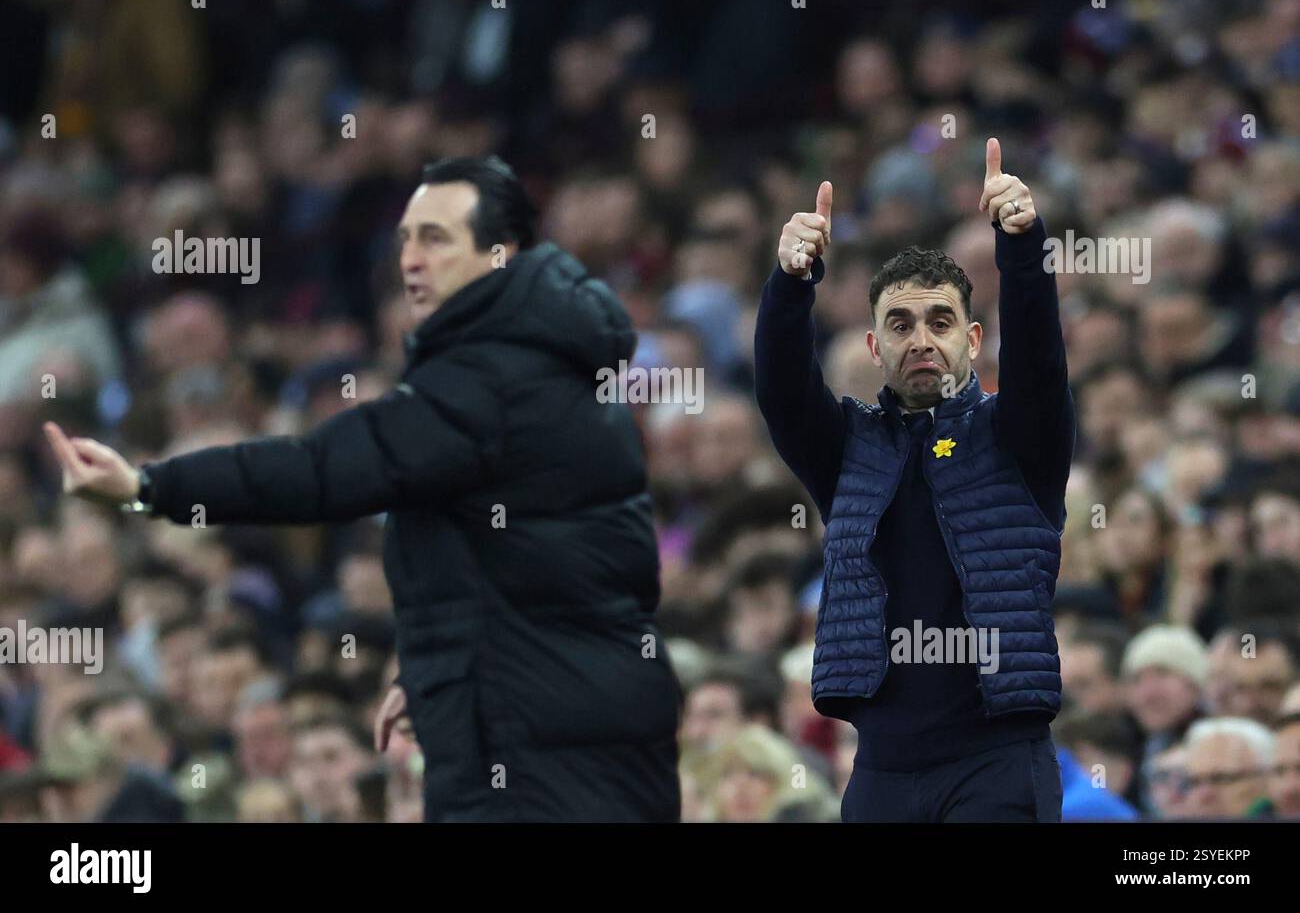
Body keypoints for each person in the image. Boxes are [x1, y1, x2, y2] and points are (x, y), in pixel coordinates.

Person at [43, 155, 682, 822]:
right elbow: (561, 566)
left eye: (436, 238)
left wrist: (148, 485)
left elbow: (322, 468)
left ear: (501, 254)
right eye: (405, 238)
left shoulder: (486, 379)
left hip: (532, 749)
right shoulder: (553, 362)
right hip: (576, 723)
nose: (410, 259)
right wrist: (436, 675)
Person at [755, 139, 1073, 821]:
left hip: (997, 765)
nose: (920, 338)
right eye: (899, 324)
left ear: (973, 339)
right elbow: (781, 392)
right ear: (873, 346)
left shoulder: (1019, 438)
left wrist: (1022, 246)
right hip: (880, 775)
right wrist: (789, 285)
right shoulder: (847, 449)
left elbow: (1042, 363)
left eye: (940, 321)